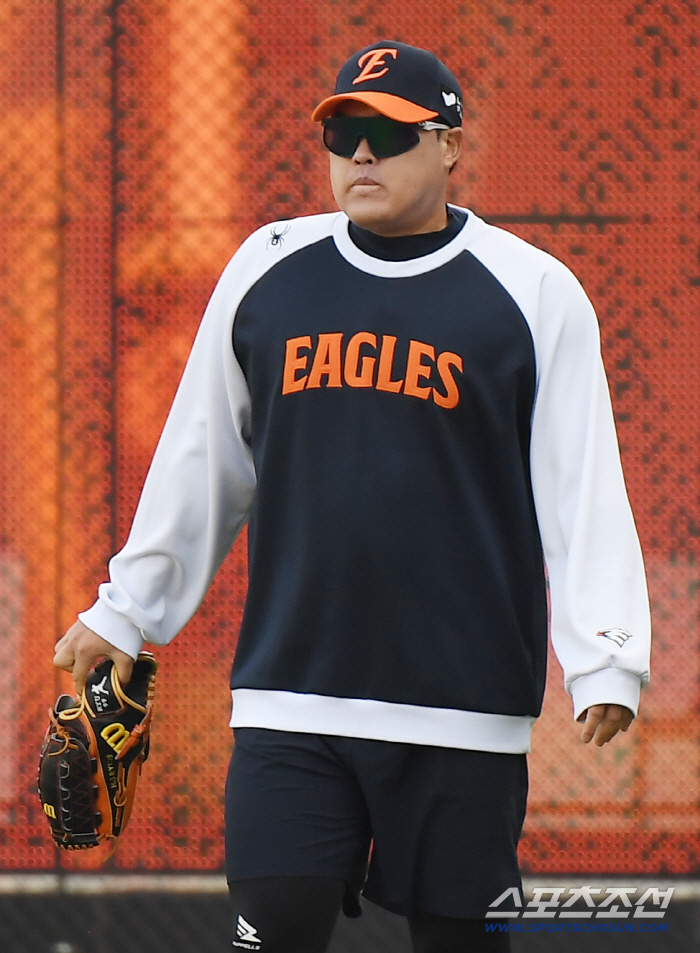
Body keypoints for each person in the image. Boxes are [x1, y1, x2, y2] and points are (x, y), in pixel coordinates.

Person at [54, 40, 651, 953]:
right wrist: (127, 610)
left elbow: (580, 484)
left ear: (450, 146)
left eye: (387, 132)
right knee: (275, 927)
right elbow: (204, 456)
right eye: (342, 134)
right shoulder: (269, 266)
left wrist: (606, 654)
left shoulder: (533, 291)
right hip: (293, 698)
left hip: (463, 705)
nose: (359, 154)